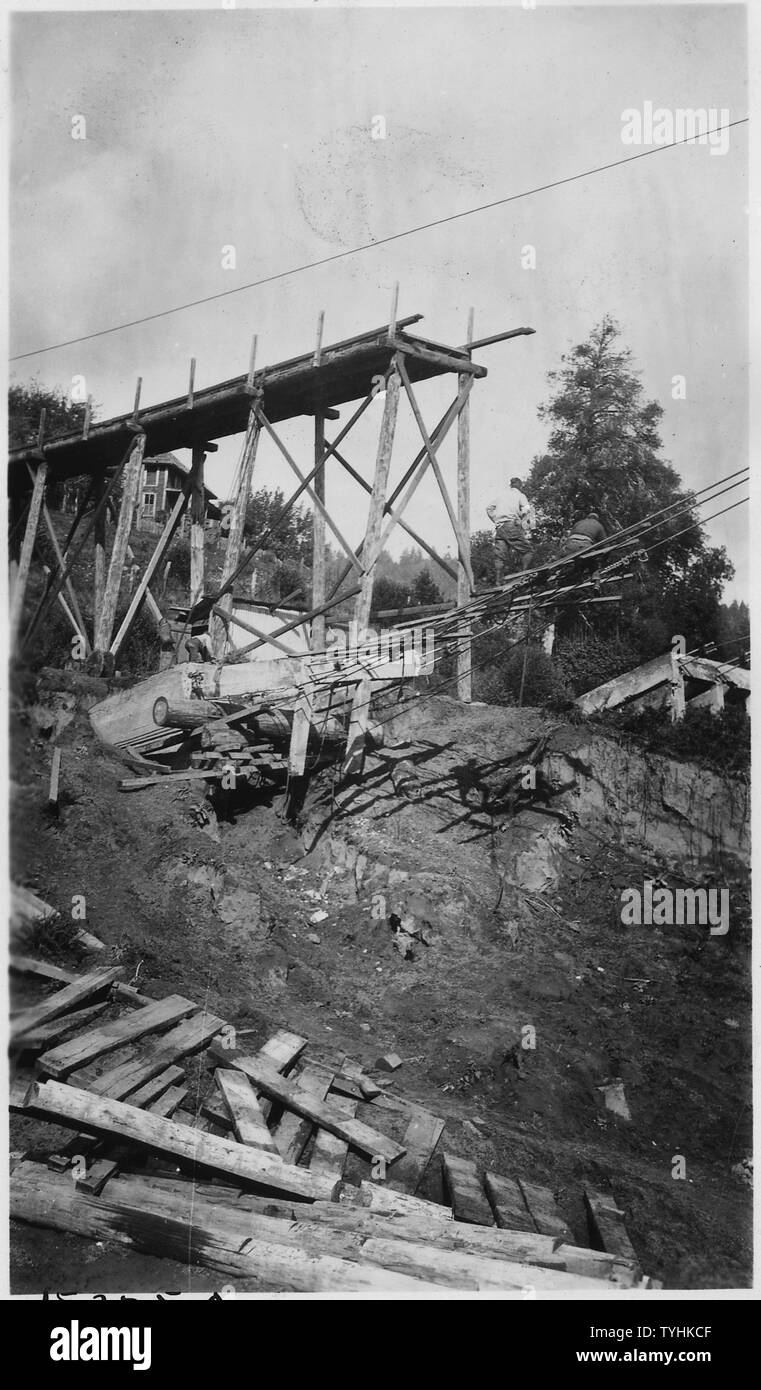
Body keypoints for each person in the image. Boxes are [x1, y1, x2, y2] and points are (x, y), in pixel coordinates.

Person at [486, 477, 536, 582]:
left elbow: (489, 508)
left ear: (511, 485)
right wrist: (520, 518)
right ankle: (524, 576)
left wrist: (496, 519)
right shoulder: (520, 495)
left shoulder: (501, 496)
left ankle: (498, 582)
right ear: (520, 486)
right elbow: (527, 509)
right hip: (510, 525)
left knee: (500, 557)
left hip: (499, 529)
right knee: (528, 551)